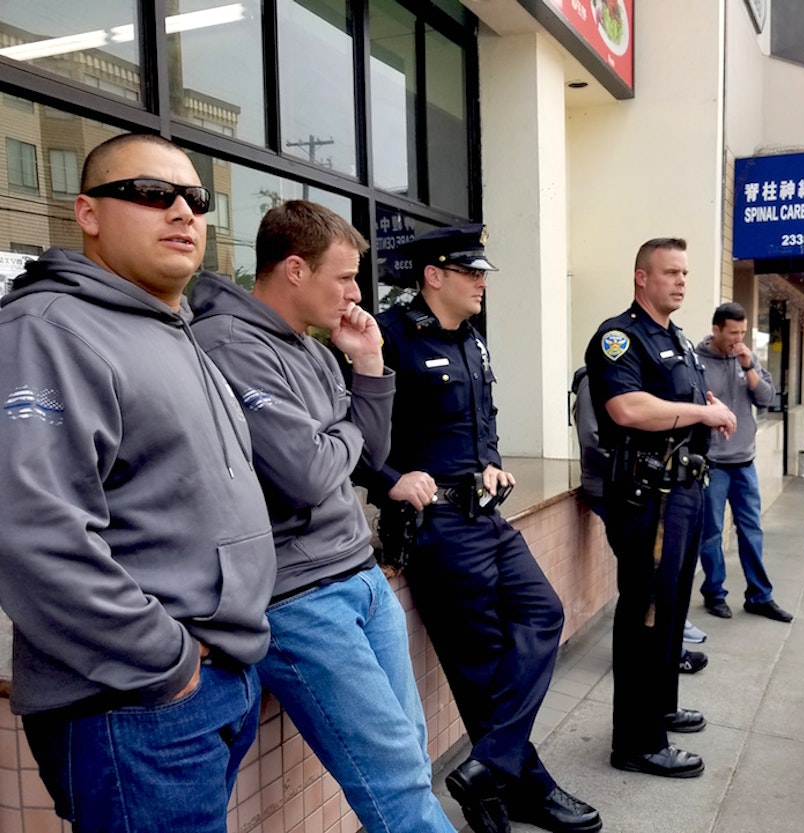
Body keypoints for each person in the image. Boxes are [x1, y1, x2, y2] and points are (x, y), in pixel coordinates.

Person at [0, 133, 277, 831]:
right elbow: (33, 533)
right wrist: (168, 661)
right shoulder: (49, 330)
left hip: (213, 678)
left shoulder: (173, 326)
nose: (182, 211)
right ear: (87, 213)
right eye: (152, 194)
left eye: (195, 198)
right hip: (133, 701)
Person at [190, 201, 456, 833]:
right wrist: (341, 436)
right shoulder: (228, 344)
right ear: (294, 270)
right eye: (345, 278)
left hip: (358, 572)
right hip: (300, 595)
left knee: (410, 756)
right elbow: (308, 474)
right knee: (394, 775)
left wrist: (367, 363)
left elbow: (369, 454)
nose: (356, 294)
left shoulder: (311, 348)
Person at [369, 224, 600, 833]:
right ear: (433, 276)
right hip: (438, 526)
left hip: (485, 514)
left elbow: (483, 421)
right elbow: (353, 430)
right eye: (470, 272)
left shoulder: (473, 340)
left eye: (482, 273)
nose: (482, 283)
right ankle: (524, 788)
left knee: (544, 613)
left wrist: (492, 461)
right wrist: (390, 479)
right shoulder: (389, 337)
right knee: (482, 663)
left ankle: (488, 767)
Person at [586, 237, 737, 779]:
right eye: (671, 272)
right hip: (648, 496)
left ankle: (660, 710)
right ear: (641, 278)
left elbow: (680, 402)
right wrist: (701, 414)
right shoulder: (619, 338)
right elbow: (627, 409)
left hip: (684, 492)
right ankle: (636, 742)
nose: (681, 282)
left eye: (685, 273)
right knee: (645, 613)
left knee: (671, 608)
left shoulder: (676, 339)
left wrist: (704, 407)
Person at [572, 366, 710, 655]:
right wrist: (633, 465)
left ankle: (664, 644)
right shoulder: (594, 381)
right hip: (611, 489)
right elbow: (592, 438)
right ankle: (649, 653)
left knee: (651, 574)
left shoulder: (629, 380)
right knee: (643, 577)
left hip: (636, 488)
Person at [695, 302, 792, 623]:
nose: (738, 339)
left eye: (743, 332)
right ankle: (714, 593)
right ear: (716, 329)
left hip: (744, 461)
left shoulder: (747, 359)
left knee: (752, 530)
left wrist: (749, 367)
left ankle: (759, 597)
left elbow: (766, 398)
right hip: (712, 463)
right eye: (733, 333)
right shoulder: (697, 362)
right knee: (712, 532)